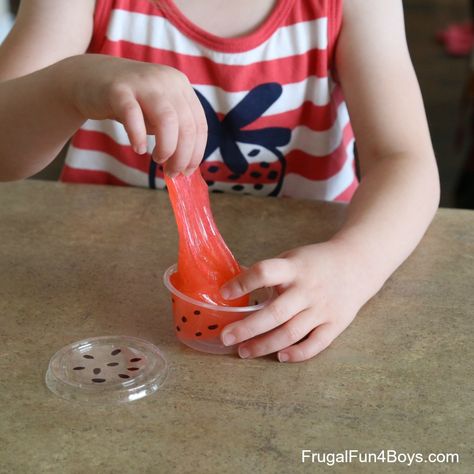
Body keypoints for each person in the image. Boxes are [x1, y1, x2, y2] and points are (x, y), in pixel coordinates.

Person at [0, 0, 440, 362]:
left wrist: (356, 264)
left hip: (301, 280)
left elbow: (405, 160)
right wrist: (71, 82)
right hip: (104, 297)